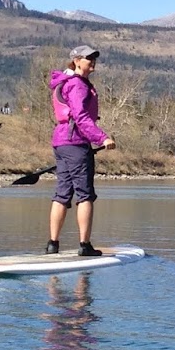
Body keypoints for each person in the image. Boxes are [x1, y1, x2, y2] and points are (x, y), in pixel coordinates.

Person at [46, 45, 115, 257]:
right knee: (85, 195)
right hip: (75, 143)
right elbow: (80, 116)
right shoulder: (77, 85)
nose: (92, 61)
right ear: (76, 60)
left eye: (94, 58)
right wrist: (102, 138)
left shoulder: (68, 82)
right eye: (88, 58)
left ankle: (52, 245)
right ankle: (85, 246)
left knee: (62, 193)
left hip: (62, 142)